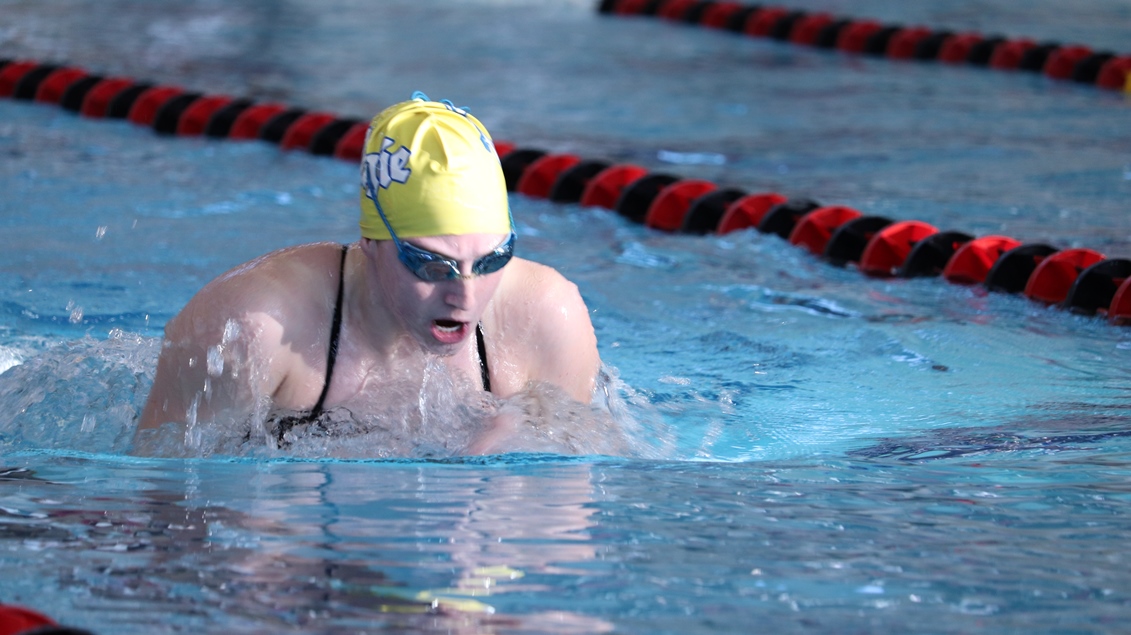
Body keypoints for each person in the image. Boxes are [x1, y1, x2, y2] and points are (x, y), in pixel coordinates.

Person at [137, 94, 601, 454]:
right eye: (431, 264)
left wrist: (515, 434)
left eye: (491, 261)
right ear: (371, 243)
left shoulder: (546, 316)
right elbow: (161, 492)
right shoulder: (251, 328)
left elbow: (580, 494)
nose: (464, 295)